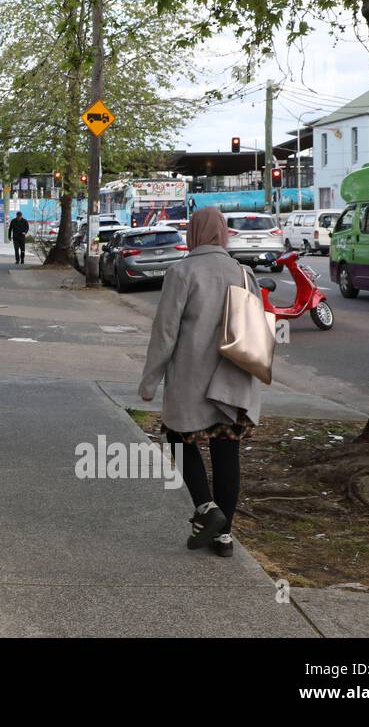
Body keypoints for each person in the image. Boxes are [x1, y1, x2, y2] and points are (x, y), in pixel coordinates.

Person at [138, 207, 263, 557]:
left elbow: (165, 332)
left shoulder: (182, 272)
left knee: (178, 439)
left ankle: (207, 509)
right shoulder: (243, 272)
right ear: (223, 233)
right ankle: (224, 538)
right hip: (233, 380)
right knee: (227, 453)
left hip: (191, 380)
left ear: (193, 232)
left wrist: (150, 381)